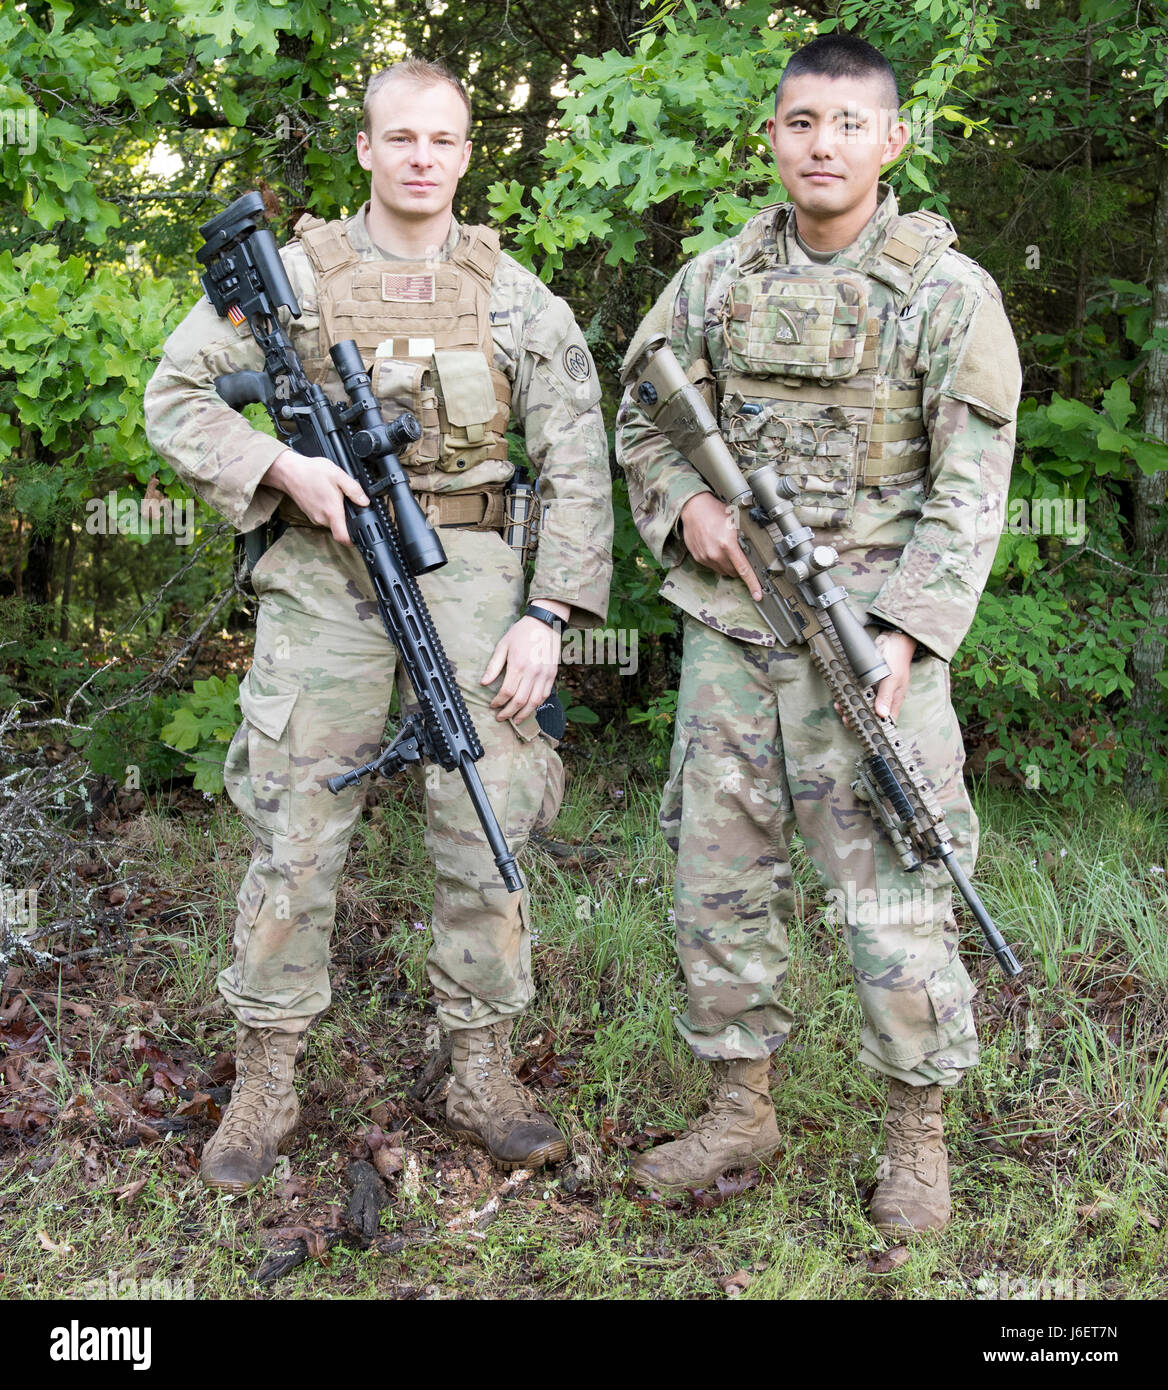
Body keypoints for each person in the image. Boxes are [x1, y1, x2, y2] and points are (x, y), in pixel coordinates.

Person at [144, 58, 613, 1190]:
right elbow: (175, 396)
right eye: (398, 138)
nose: (419, 158)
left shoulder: (513, 295)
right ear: (364, 149)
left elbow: (579, 455)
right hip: (323, 572)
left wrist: (552, 610)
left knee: (485, 807)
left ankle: (481, 1070)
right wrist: (278, 467)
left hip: (471, 571)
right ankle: (266, 1076)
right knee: (298, 825)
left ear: (463, 153)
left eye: (441, 141)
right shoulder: (292, 276)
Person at [615, 33, 1019, 1234]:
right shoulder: (713, 281)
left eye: (848, 124)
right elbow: (642, 408)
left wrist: (907, 631)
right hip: (734, 639)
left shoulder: (949, 291)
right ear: (774, 138)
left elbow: (972, 480)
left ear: (891, 140)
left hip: (869, 649)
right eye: (800, 123)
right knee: (718, 883)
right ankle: (739, 1107)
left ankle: (916, 1136)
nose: (822, 144)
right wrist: (684, 504)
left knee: (895, 888)